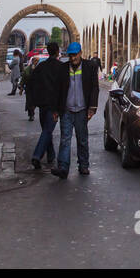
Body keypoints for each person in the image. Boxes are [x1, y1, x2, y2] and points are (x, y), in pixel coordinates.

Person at [53, 41, 100, 180]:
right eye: (70, 56)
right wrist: (55, 109)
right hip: (66, 110)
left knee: (82, 139)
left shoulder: (90, 67)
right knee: (65, 139)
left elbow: (94, 88)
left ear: (80, 53)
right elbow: (57, 90)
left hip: (82, 110)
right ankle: (63, 167)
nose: (73, 58)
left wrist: (92, 108)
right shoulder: (62, 69)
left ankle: (84, 165)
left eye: (75, 55)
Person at [27, 42, 65, 170]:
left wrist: (33, 100)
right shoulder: (61, 67)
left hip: (42, 104)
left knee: (46, 129)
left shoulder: (41, 67)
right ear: (58, 51)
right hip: (54, 105)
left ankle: (51, 155)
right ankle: (37, 155)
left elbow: (31, 82)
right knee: (47, 130)